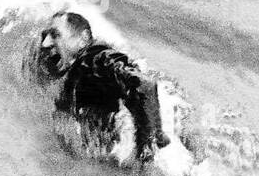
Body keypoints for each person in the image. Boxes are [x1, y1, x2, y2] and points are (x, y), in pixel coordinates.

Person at [35, 11, 171, 164]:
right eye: (44, 35)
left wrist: (148, 149)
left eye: (55, 34)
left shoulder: (95, 58)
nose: (45, 43)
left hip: (158, 155)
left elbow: (145, 85)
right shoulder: (79, 71)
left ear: (83, 38)